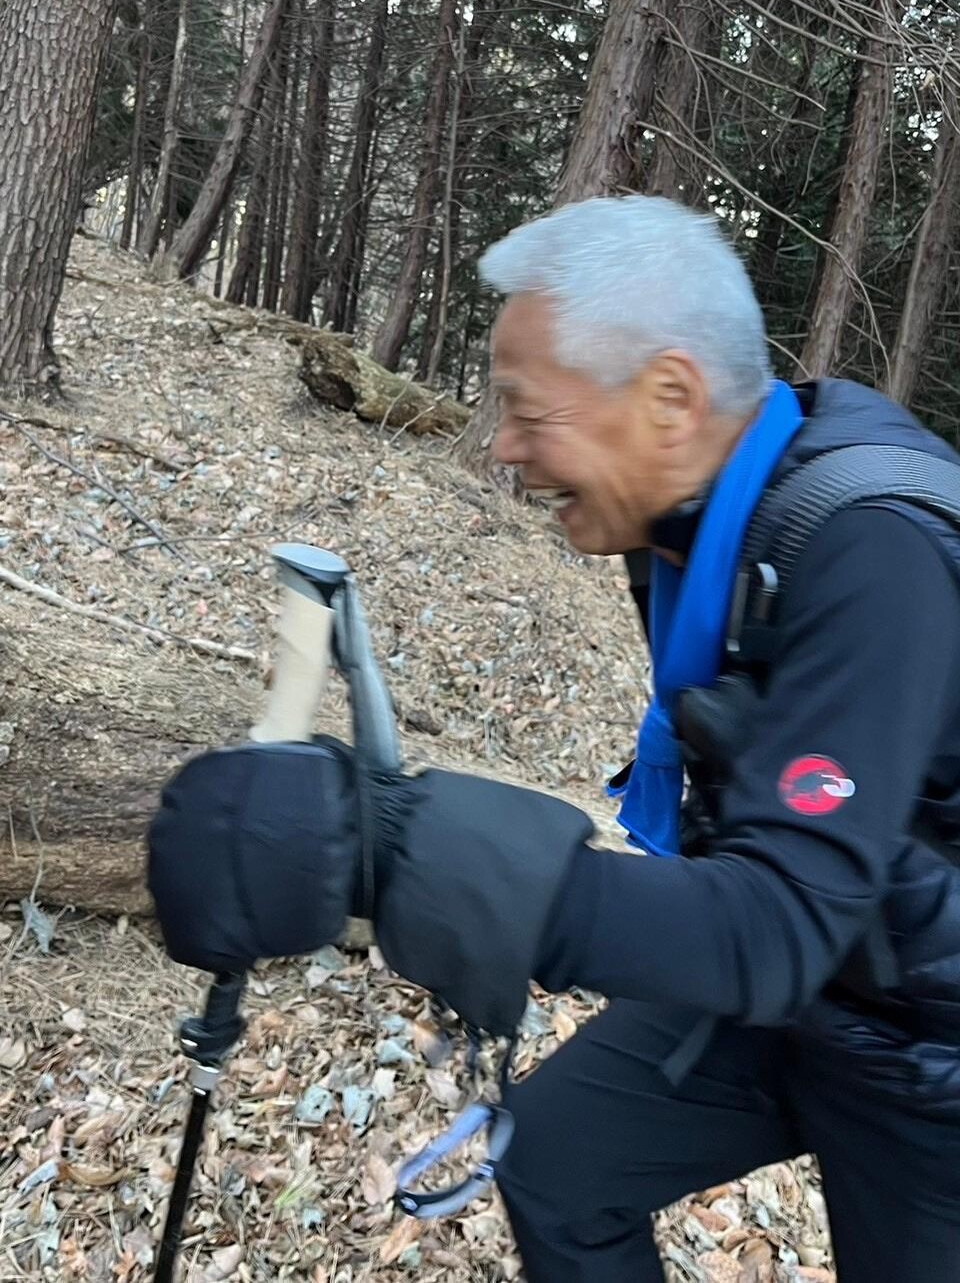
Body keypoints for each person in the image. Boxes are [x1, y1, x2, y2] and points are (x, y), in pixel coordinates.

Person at [148, 195, 960, 1282]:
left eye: (530, 408)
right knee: (559, 1162)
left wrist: (395, 853)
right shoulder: (695, 512)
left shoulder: (871, 546)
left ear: (669, 394)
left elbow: (780, 922)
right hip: (819, 979)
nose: (505, 447)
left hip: (931, 1054)